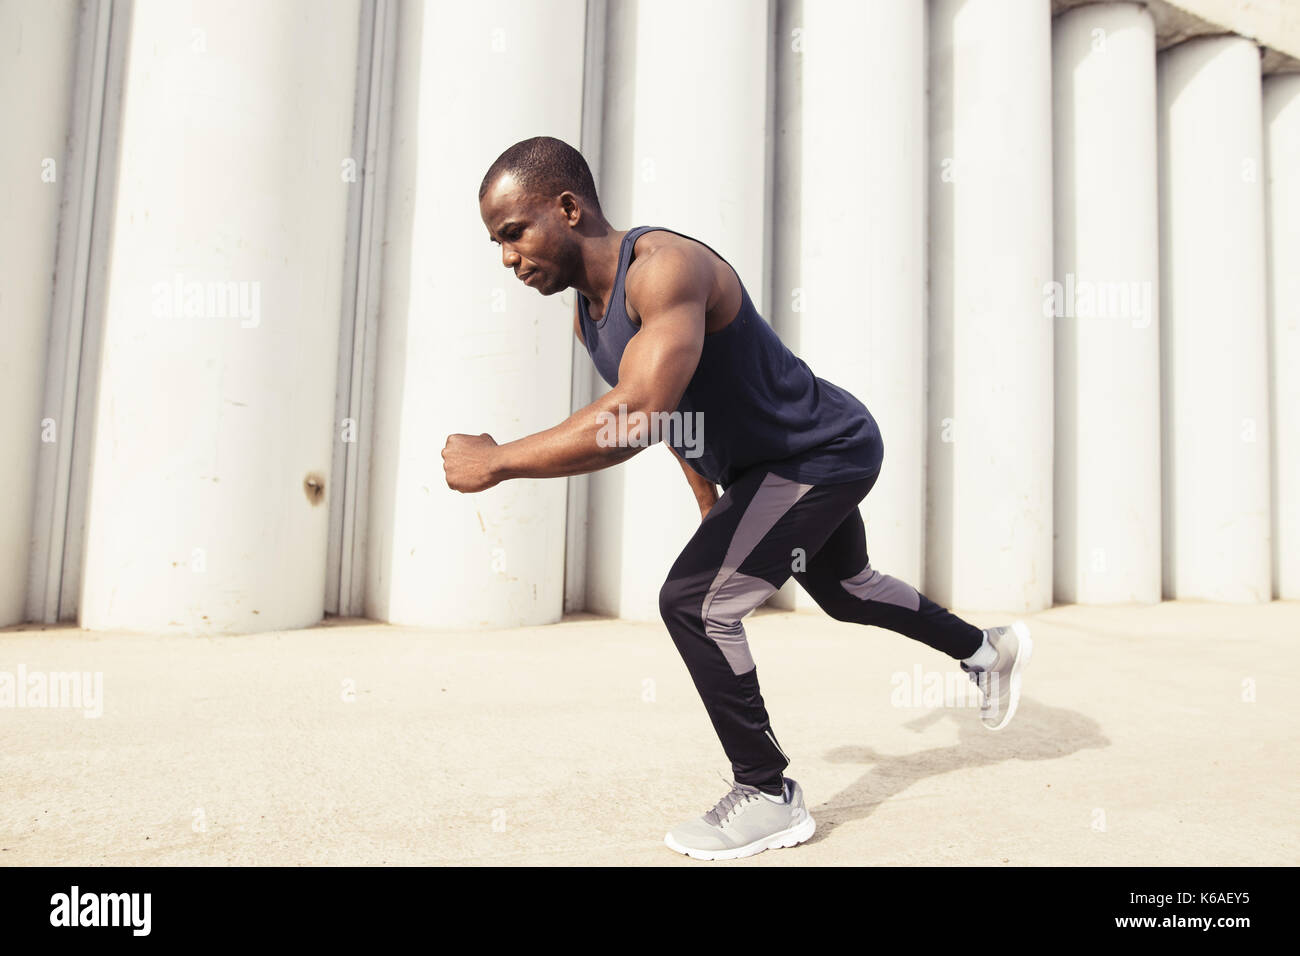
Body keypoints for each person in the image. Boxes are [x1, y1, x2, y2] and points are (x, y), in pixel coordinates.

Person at [444, 136, 1033, 861]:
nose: (508, 258)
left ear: (567, 208)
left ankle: (768, 793)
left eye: (514, 233)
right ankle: (988, 650)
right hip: (769, 470)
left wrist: (499, 461)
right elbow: (677, 414)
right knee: (846, 590)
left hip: (823, 452)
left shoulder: (665, 270)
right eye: (497, 243)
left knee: (694, 601)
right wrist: (710, 500)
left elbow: (634, 415)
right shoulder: (588, 314)